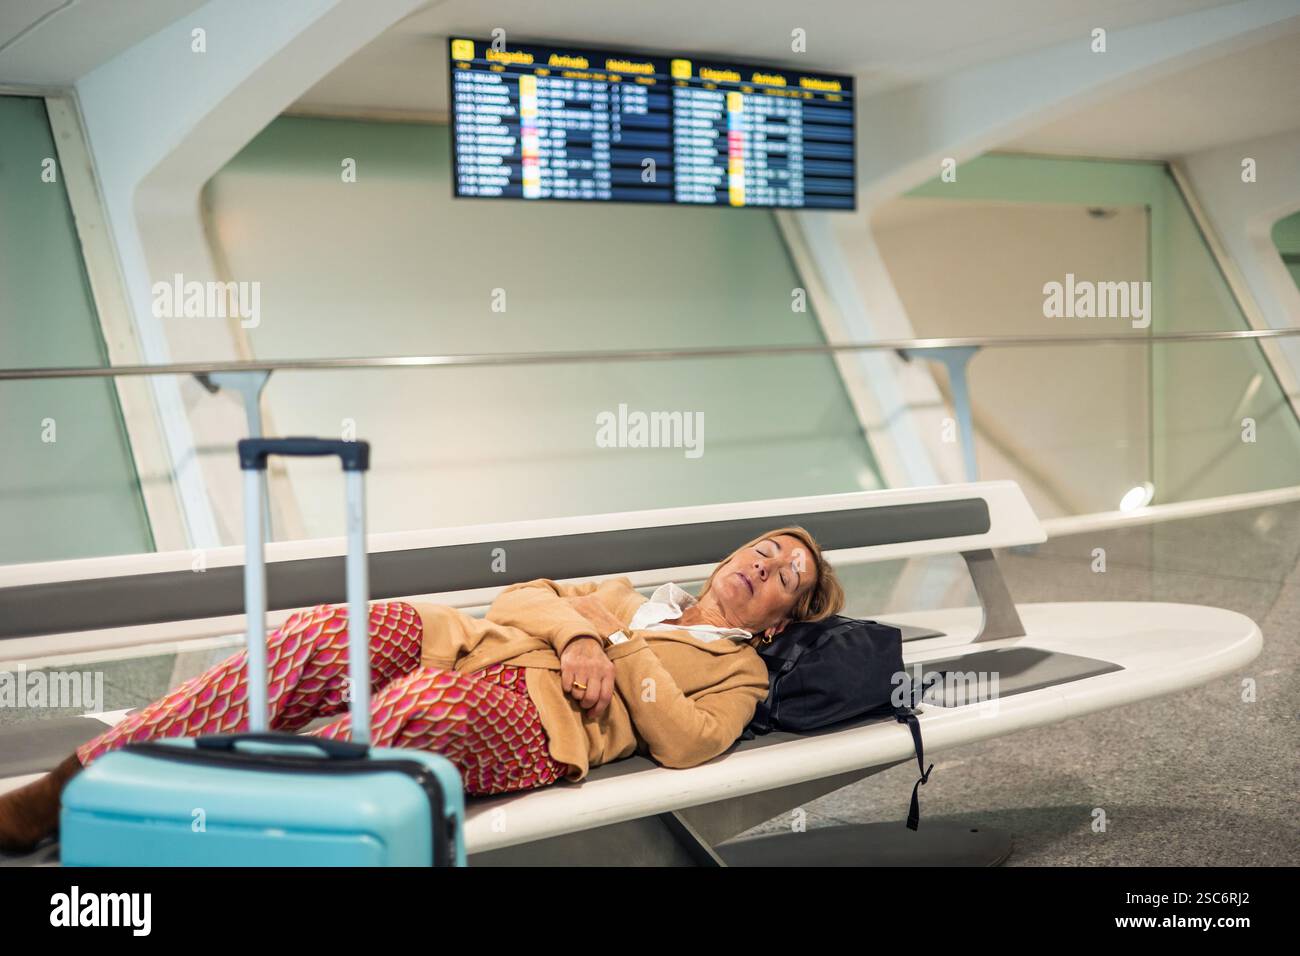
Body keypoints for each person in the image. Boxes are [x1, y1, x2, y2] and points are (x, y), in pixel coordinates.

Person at [0, 525, 844, 852]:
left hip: (534, 721)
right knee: (322, 633)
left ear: (778, 619)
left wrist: (615, 647)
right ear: (734, 556)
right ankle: (64, 792)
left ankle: (180, 823)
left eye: (785, 576)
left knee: (419, 712)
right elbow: (522, 596)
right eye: (764, 551)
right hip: (463, 642)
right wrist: (585, 626)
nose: (766, 566)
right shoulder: (627, 590)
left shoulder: (739, 669)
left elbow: (688, 740)